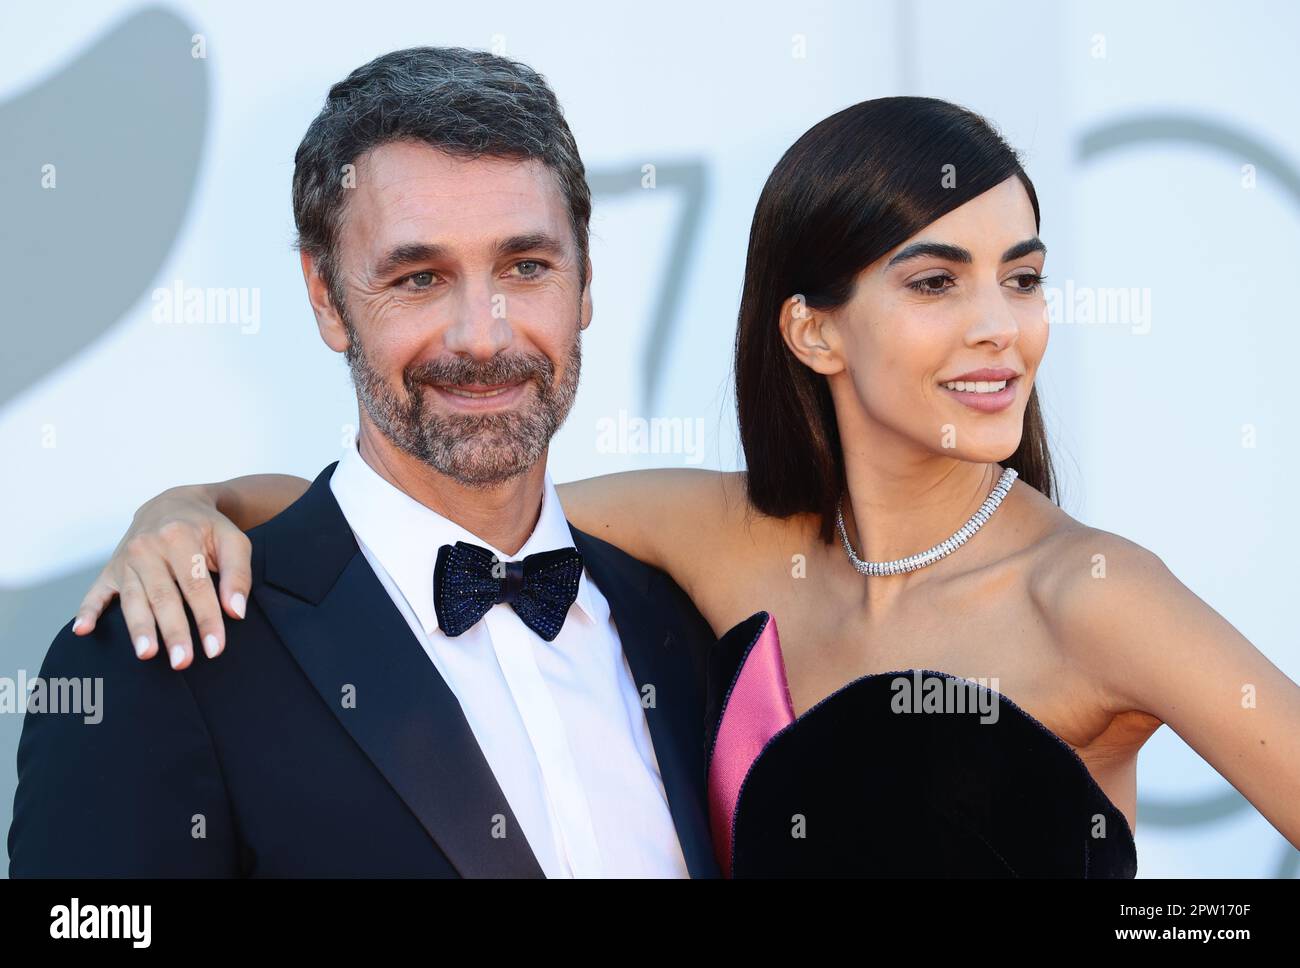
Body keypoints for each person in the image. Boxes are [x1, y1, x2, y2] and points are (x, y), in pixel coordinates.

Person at [56, 97, 1300, 877]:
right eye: (936, 283)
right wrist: (185, 502)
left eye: (1020, 278)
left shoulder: (1086, 592)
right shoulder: (717, 536)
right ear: (812, 334)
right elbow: (434, 512)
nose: (1001, 331)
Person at [8, 47, 722, 878]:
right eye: (419, 278)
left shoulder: (689, 628)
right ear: (326, 298)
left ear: (586, 278)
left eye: (525, 267)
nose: (482, 335)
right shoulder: (167, 661)